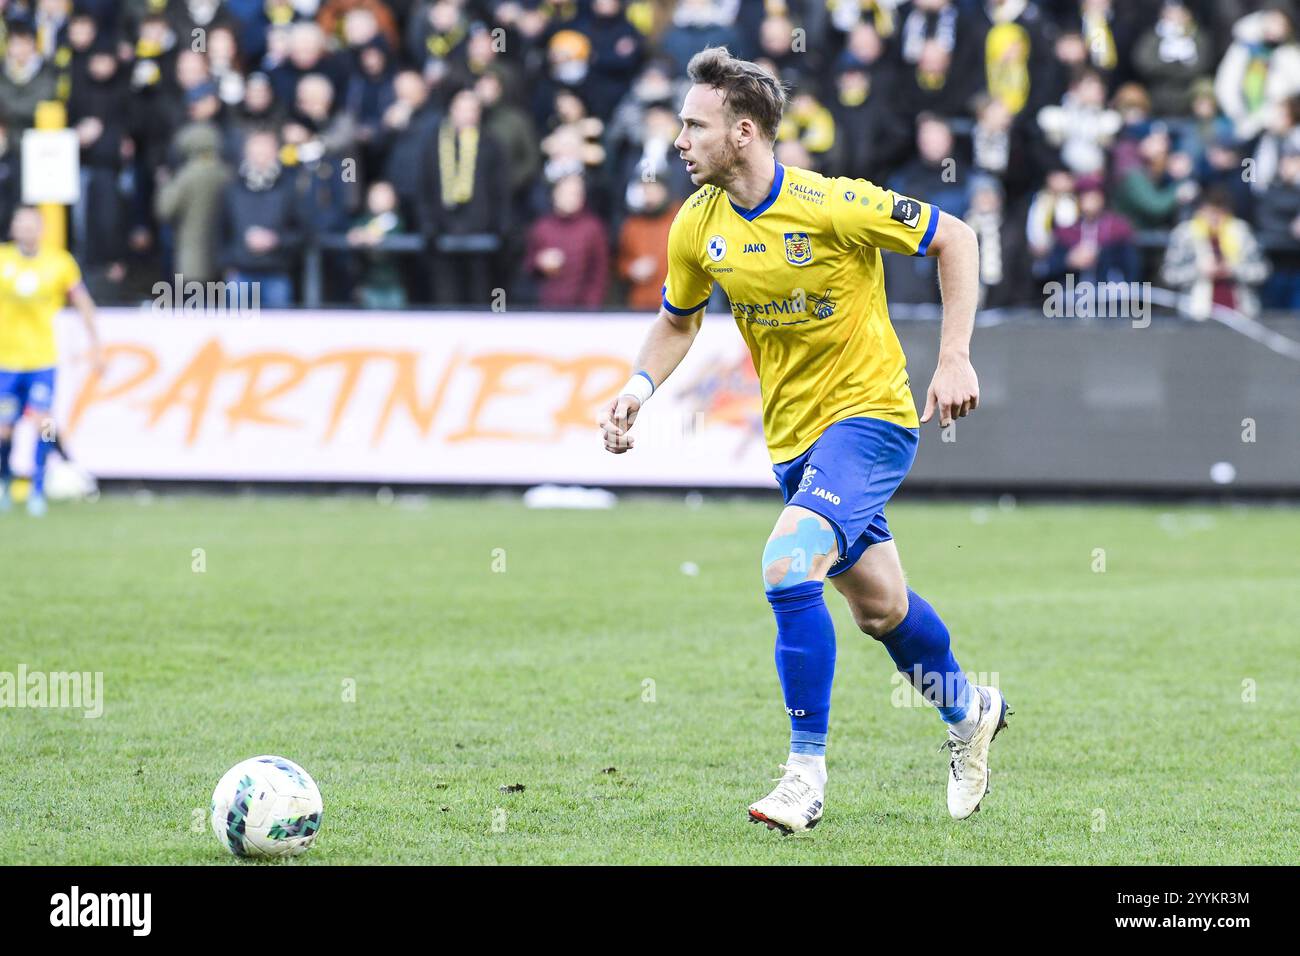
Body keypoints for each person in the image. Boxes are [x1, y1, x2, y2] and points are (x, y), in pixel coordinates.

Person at [598, 47, 1008, 834]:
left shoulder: (833, 205)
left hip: (872, 420)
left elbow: (955, 237)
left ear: (743, 131)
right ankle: (971, 711)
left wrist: (953, 356)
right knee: (880, 611)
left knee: (788, 566)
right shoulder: (697, 224)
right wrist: (634, 389)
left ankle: (803, 776)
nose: (678, 139)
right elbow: (679, 321)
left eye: (694, 124)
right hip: (794, 446)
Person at [0, 207, 103, 516]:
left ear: (41, 230)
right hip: (6, 361)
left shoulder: (59, 263)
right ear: (13, 228)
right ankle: (4, 482)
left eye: (32, 225)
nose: (26, 230)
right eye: (21, 224)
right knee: (5, 428)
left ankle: (37, 489)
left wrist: (96, 346)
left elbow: (82, 301)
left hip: (42, 360)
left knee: (43, 423)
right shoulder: (3, 258)